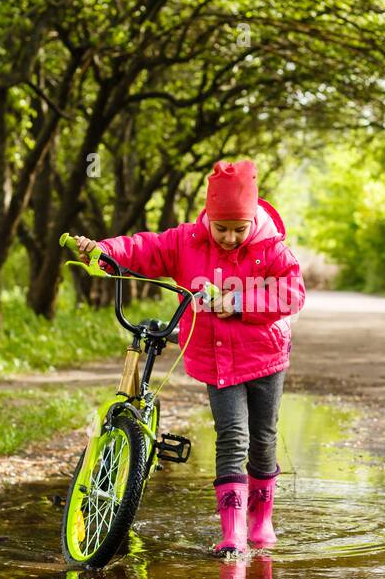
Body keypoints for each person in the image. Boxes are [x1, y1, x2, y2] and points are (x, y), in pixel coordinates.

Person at [72, 159, 305, 555]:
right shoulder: (187, 242)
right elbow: (145, 248)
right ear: (208, 218)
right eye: (221, 229)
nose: (230, 238)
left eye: (239, 229)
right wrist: (105, 251)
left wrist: (238, 301)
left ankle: (261, 519)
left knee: (263, 440)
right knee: (232, 436)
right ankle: (232, 534)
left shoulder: (271, 248)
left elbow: (292, 294)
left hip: (265, 357)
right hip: (219, 362)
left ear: (252, 220)